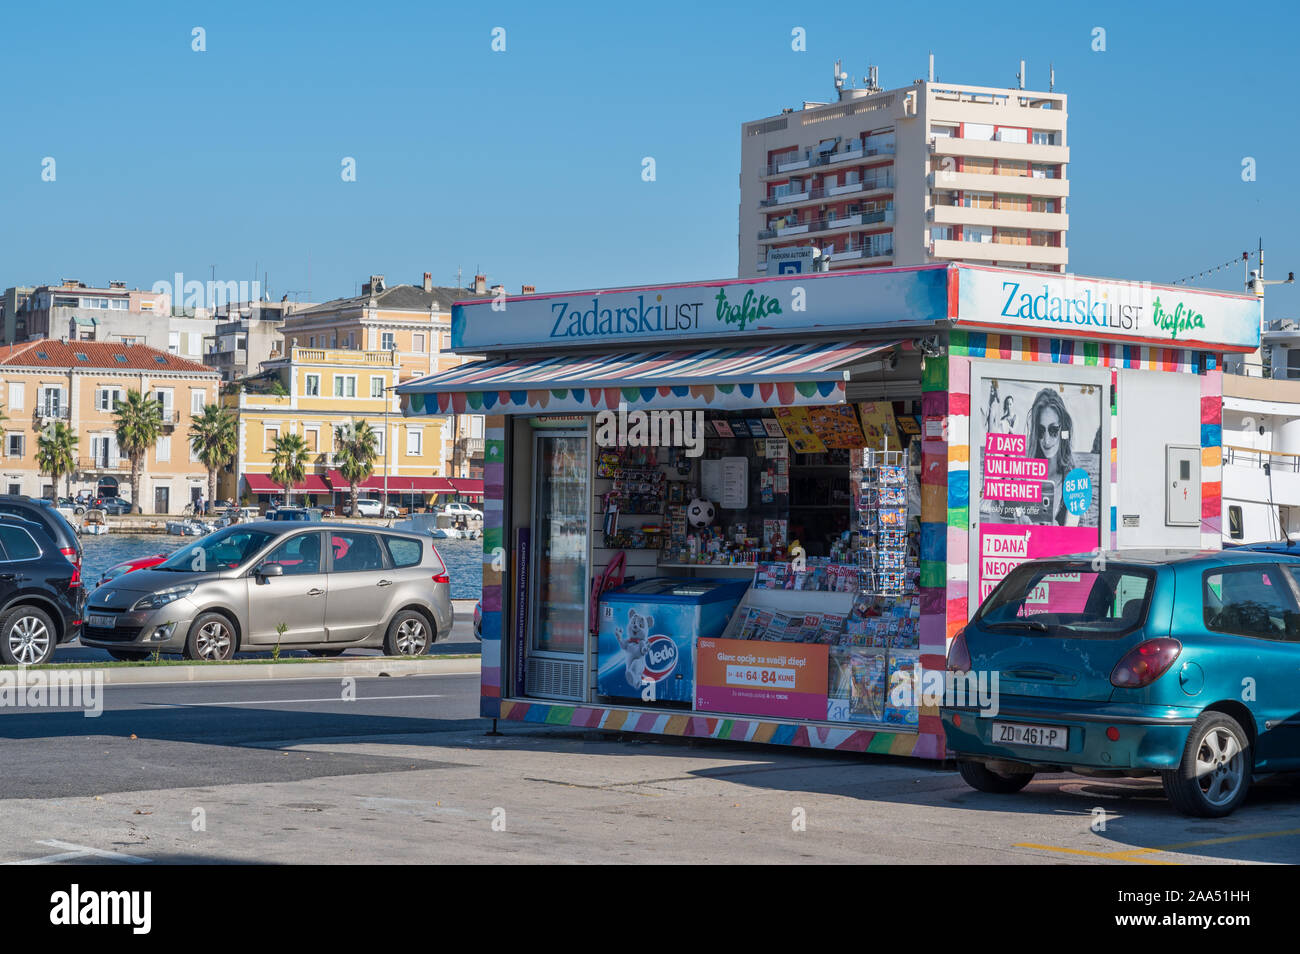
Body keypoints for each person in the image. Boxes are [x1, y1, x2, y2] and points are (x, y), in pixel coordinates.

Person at [1024, 388, 1080, 527]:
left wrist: (1055, 531)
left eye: (1053, 430)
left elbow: (1073, 539)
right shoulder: (1025, 474)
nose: (1046, 440)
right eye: (1041, 431)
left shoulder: (1074, 482)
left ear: (1064, 430)